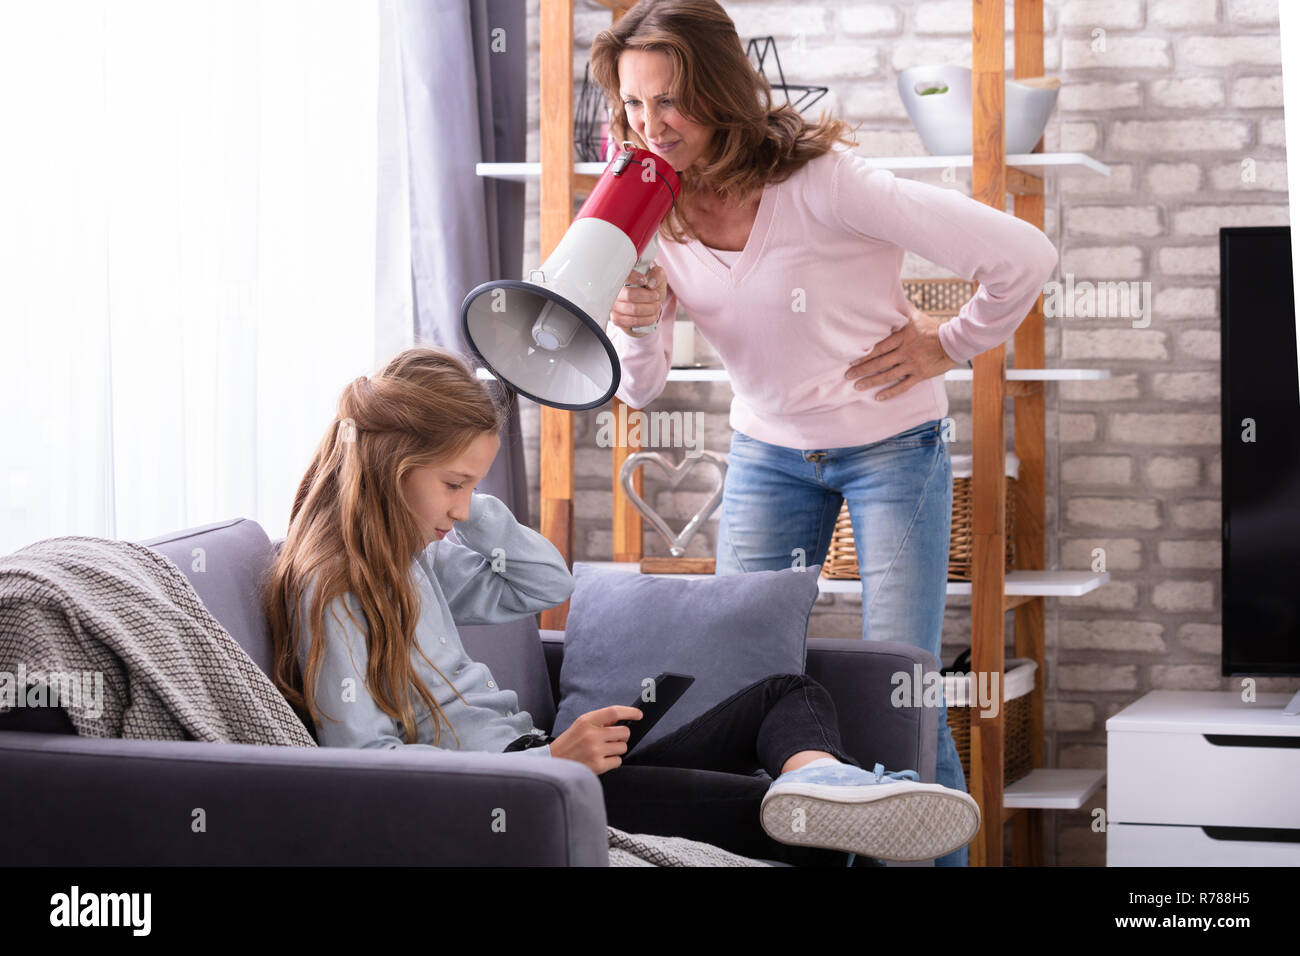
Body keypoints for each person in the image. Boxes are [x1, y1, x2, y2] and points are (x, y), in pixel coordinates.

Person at [594, 0, 1060, 866]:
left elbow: (1023, 256)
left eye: (669, 102)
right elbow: (642, 384)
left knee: (900, 689)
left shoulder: (825, 182)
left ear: (720, 91)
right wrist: (631, 320)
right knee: (746, 680)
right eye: (631, 105)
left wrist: (946, 345)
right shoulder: (644, 201)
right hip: (768, 454)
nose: (648, 126)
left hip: (891, 448)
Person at [263, 345, 981, 867]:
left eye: (470, 487)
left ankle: (818, 774)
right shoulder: (332, 592)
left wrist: (472, 509)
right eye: (453, 484)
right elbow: (363, 762)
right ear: (392, 466)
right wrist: (549, 762)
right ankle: (823, 800)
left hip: (552, 757)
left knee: (783, 694)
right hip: (528, 785)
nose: (460, 506)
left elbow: (544, 584)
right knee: (791, 829)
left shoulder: (414, 560)